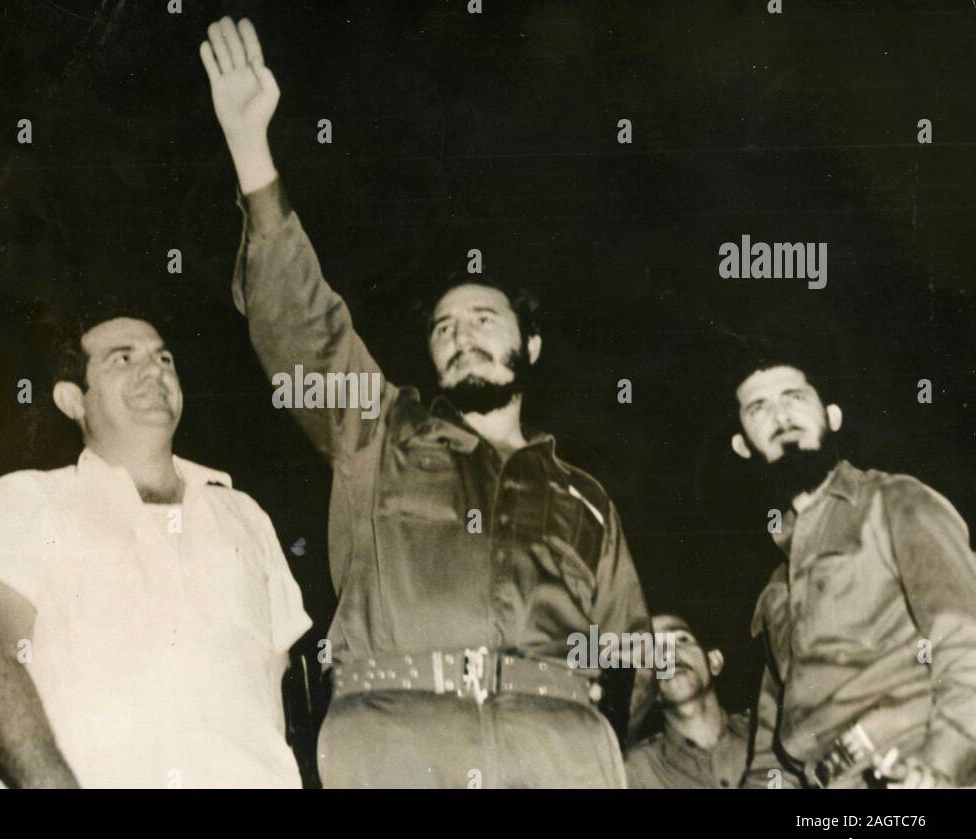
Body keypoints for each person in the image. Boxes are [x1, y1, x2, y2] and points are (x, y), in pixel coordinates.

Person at [199, 16, 651, 787]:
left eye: (484, 319)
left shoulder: (589, 501)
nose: (461, 335)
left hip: (560, 751)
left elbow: (631, 666)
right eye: (444, 327)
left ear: (529, 347)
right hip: (400, 739)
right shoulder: (380, 435)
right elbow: (302, 328)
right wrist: (251, 152)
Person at [0, 308, 311, 788]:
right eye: (123, 359)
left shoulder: (243, 514)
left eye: (164, 358)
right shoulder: (29, 500)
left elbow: (276, 682)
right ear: (72, 399)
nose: (155, 370)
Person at [727, 347, 976, 789]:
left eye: (795, 396)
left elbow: (967, 642)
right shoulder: (775, 591)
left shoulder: (896, 502)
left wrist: (941, 765)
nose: (781, 415)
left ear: (833, 417)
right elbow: (771, 742)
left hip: (916, 770)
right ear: (742, 445)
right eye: (758, 407)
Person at [624, 614, 750, 789]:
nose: (667, 653)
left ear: (714, 661)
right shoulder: (632, 773)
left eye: (682, 639)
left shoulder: (773, 736)